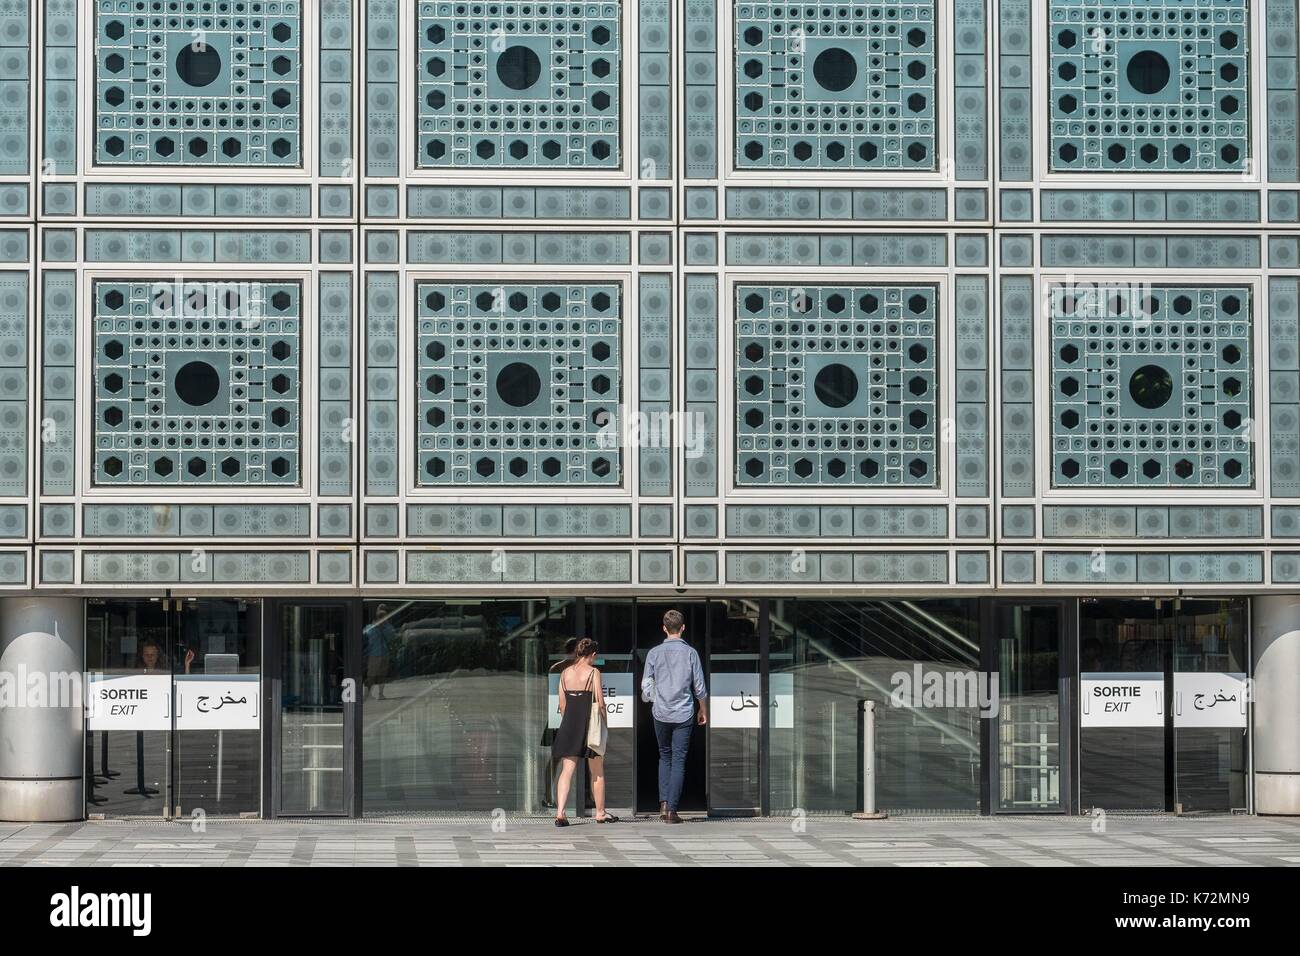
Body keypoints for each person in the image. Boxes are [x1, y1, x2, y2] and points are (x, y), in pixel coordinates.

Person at [641, 609, 707, 824]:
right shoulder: (691, 653)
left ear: (664, 628)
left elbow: (646, 683)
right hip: (684, 712)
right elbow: (699, 686)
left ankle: (662, 804)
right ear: (683, 628)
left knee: (664, 756)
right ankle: (672, 810)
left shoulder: (653, 653)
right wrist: (703, 709)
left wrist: (653, 699)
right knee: (679, 760)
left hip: (660, 712)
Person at [551, 638, 619, 826]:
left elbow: (562, 705)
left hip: (569, 725)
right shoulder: (594, 672)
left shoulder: (564, 673)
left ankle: (560, 813)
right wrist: (604, 724)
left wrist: (570, 721)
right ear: (593, 654)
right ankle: (600, 813)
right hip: (589, 725)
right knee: (597, 771)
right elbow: (601, 702)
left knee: (566, 771)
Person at [363, 604, 395, 700]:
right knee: (371, 675)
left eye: (384, 615)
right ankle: (368, 695)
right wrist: (376, 626)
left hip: (384, 654)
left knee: (382, 675)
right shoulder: (370, 627)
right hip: (373, 655)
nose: (382, 617)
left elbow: (391, 637)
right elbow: (366, 636)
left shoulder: (387, 626)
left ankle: (381, 694)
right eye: (380, 615)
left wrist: (385, 626)